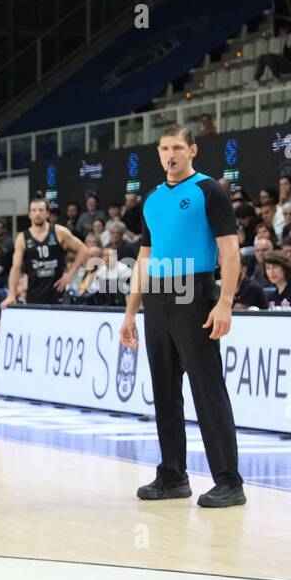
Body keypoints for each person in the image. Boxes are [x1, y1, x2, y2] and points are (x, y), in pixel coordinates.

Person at [120, 123, 244, 508]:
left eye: (176, 147)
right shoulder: (152, 200)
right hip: (157, 296)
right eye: (163, 149)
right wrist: (130, 311)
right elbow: (144, 258)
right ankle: (172, 475)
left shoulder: (210, 190)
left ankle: (229, 481)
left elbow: (230, 252)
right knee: (164, 391)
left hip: (196, 292)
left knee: (207, 389)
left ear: (192, 150)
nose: (169, 155)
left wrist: (224, 302)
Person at [3, 197, 88, 307]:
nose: (37, 213)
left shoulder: (59, 231)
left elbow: (83, 249)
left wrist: (69, 275)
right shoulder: (22, 237)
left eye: (41, 210)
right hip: (34, 294)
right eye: (34, 210)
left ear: (47, 213)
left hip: (57, 293)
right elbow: (16, 267)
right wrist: (11, 294)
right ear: (29, 214)